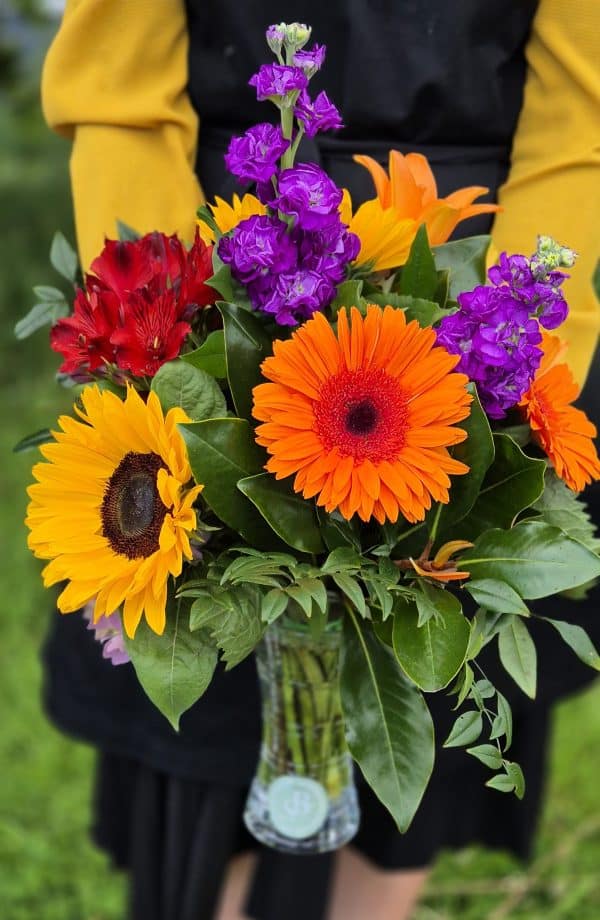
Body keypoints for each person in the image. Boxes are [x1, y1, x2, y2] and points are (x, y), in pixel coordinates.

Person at [40, 2, 600, 918]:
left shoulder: (495, 346)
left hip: (473, 301)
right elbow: (122, 96)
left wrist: (519, 370)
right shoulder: (201, 323)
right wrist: (169, 338)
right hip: (223, 271)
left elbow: (580, 118)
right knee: (207, 751)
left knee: (419, 730)